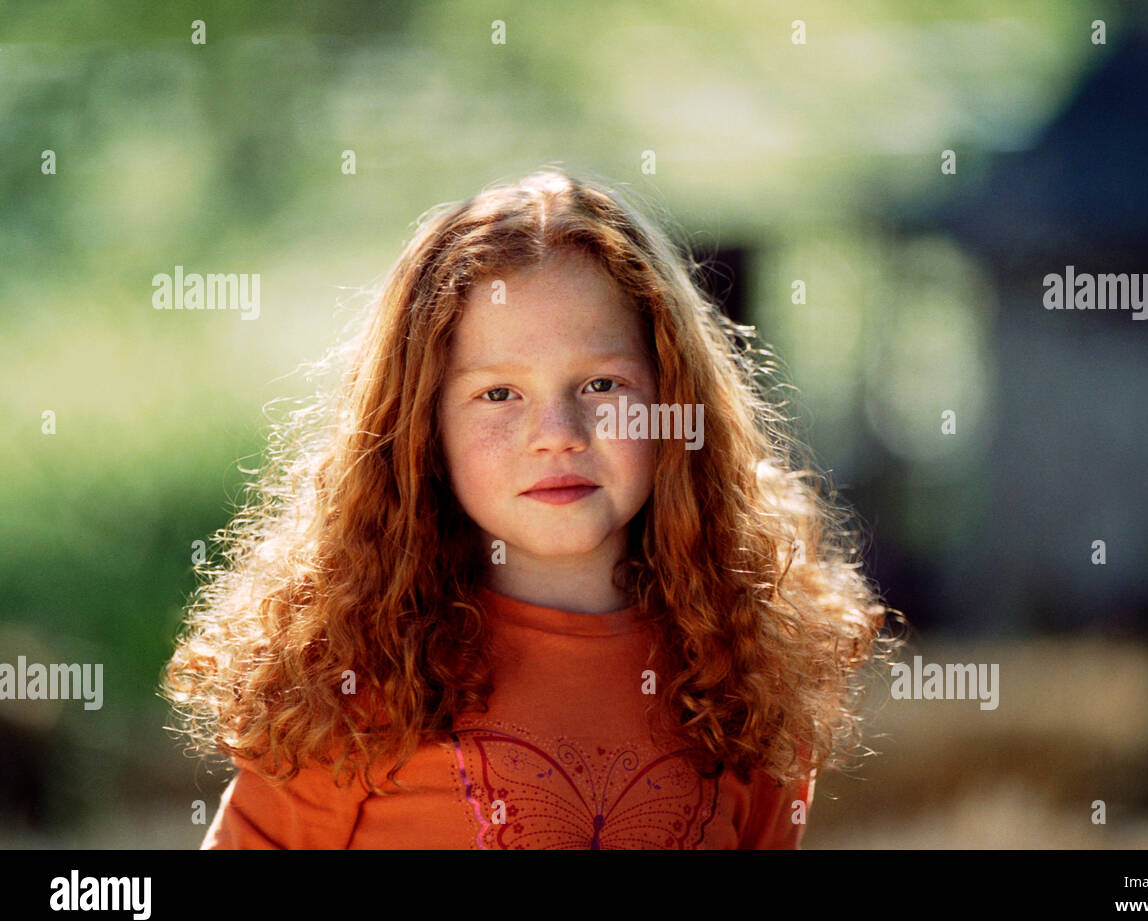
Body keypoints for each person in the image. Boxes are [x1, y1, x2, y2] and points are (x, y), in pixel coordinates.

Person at [162, 166, 893, 849]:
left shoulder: (744, 681)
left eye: (603, 385)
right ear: (422, 428)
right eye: (499, 395)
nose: (558, 436)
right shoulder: (355, 681)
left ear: (675, 401)